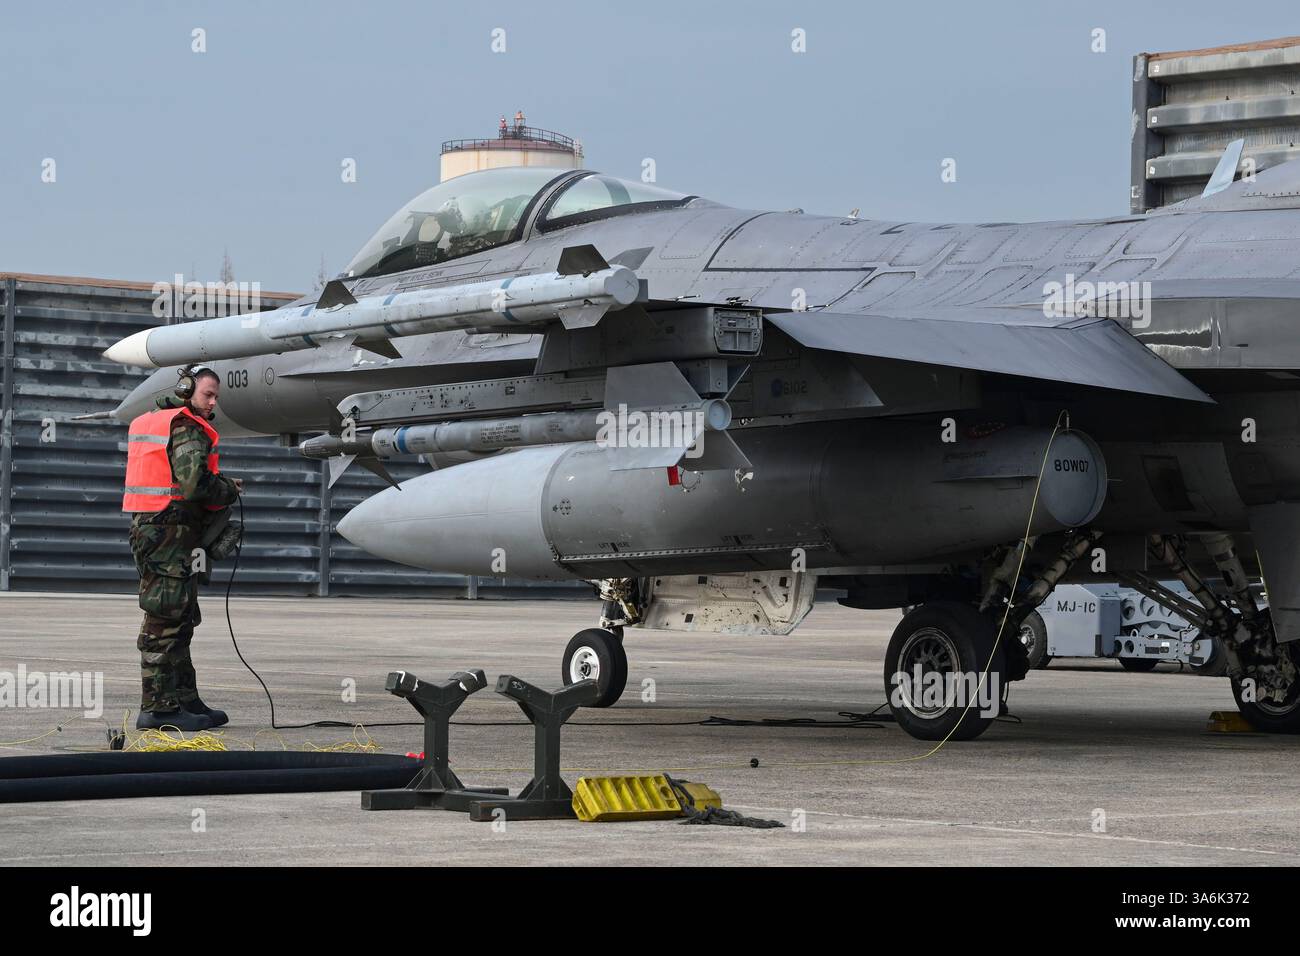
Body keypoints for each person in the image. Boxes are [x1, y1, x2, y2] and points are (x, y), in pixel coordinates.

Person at [121, 365, 242, 730]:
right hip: (169, 534)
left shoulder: (160, 420)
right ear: (188, 389)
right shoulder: (187, 426)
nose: (213, 401)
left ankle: (185, 699)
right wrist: (229, 489)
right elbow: (192, 486)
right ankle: (158, 708)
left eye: (216, 396)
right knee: (166, 619)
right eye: (208, 394)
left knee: (182, 617)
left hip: (164, 532)